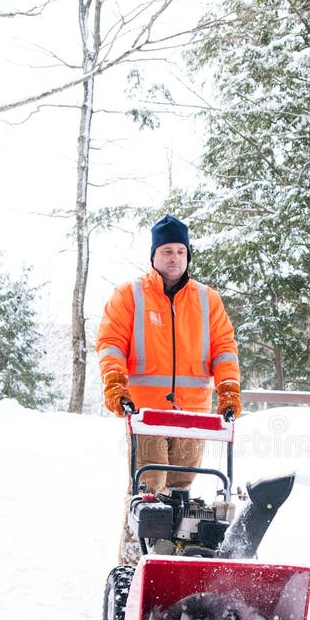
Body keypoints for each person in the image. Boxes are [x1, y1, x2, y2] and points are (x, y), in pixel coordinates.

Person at [96, 213, 241, 565]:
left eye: (180, 251)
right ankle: (133, 565)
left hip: (193, 415)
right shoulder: (130, 296)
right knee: (149, 488)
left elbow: (224, 349)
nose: (174, 258)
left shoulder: (207, 300)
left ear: (188, 255)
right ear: (153, 256)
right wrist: (115, 384)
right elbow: (111, 344)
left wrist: (228, 391)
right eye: (167, 251)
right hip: (146, 413)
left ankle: (173, 562)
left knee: (181, 489)